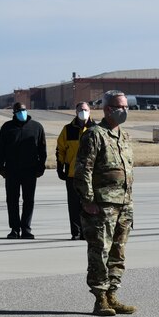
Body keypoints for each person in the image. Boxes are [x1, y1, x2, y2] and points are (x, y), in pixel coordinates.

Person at [75, 91, 136, 316]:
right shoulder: (94, 135)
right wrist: (88, 200)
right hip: (102, 205)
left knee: (118, 251)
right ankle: (100, 297)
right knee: (100, 251)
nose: (125, 110)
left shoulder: (124, 136)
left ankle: (113, 294)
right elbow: (83, 170)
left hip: (123, 204)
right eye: (121, 106)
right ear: (108, 109)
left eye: (127, 106)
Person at [0, 102, 46, 239]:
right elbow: (0, 149)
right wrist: (0, 167)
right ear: (14, 112)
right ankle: (14, 228)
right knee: (12, 200)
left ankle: (26, 228)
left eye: (23, 110)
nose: (22, 112)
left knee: (29, 200)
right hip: (12, 170)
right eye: (19, 110)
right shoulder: (7, 128)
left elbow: (42, 149)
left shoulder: (36, 127)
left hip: (30, 170)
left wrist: (41, 166)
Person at [56, 101, 96, 239]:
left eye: (85, 109)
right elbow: (60, 149)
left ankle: (87, 232)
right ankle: (76, 232)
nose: (83, 112)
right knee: (73, 205)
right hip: (72, 174)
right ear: (76, 112)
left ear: (90, 111)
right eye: (80, 110)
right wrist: (60, 166)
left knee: (89, 204)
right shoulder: (67, 129)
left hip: (91, 175)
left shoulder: (96, 129)